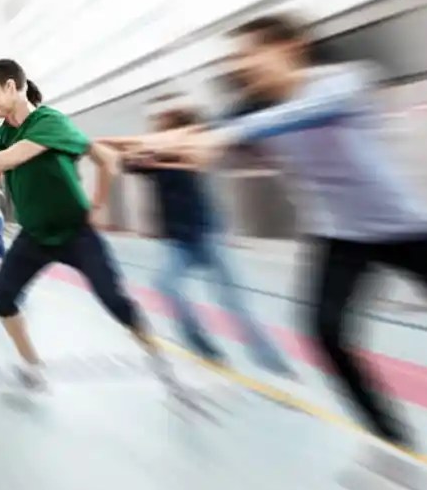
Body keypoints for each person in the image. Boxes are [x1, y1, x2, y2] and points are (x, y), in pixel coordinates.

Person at [127, 14, 427, 490]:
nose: (241, 66)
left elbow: (294, 116)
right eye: (236, 59)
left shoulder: (343, 82)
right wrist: (142, 146)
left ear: (291, 46)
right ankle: (393, 445)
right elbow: (201, 144)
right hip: (343, 237)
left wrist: (225, 134)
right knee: (325, 331)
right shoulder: (250, 112)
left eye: (249, 54)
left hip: (412, 230)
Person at [0, 61, 185, 396]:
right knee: (3, 297)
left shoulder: (48, 122)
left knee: (115, 300)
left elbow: (13, 161)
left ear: (12, 86)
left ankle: (160, 360)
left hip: (75, 232)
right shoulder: (0, 135)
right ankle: (32, 366)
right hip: (35, 236)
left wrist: (98, 203)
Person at [102, 95, 297, 380]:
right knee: (168, 288)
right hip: (178, 241)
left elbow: (210, 131)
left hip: (207, 235)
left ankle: (273, 363)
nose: (158, 130)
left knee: (234, 302)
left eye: (164, 124)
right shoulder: (151, 159)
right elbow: (124, 159)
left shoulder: (193, 149)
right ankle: (205, 350)